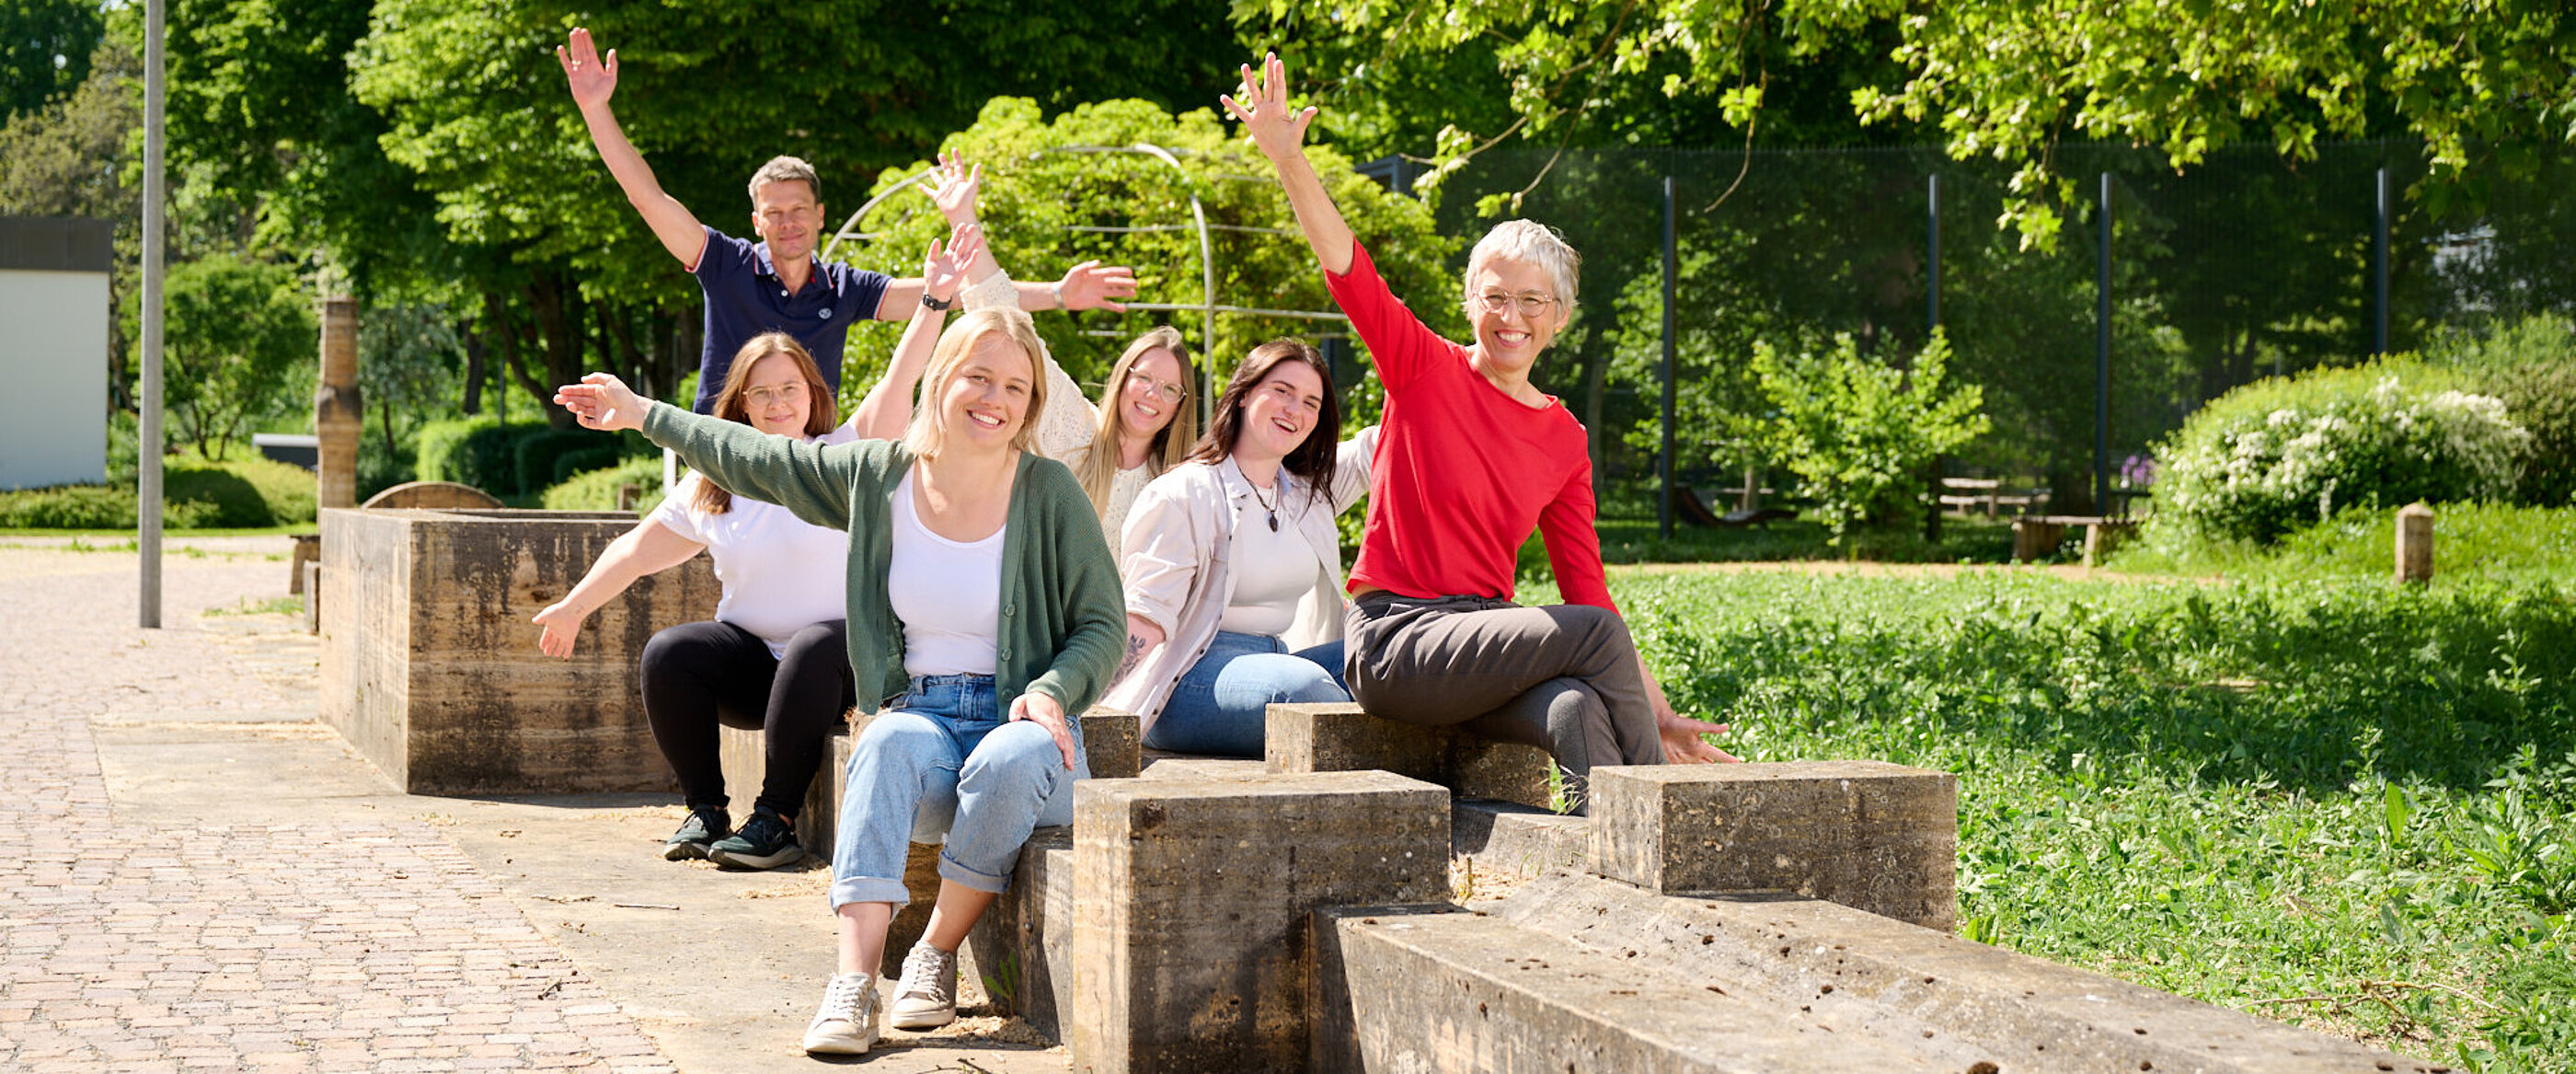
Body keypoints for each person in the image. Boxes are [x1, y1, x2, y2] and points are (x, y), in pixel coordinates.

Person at [553, 303, 1121, 1057]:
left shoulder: (1049, 491)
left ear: (1031, 404)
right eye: (980, 377)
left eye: (1016, 387)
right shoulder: (878, 476)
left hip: (1028, 734)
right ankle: (852, 985)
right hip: (927, 718)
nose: (996, 399)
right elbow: (757, 459)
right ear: (942, 378)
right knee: (882, 744)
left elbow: (1102, 623)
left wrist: (1052, 688)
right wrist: (643, 413)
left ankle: (934, 953)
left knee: (1007, 756)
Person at [1225, 52, 1738, 809]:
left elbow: (1587, 587)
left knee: (1574, 706)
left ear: (1560, 318)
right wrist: (1287, 159)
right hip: (1398, 641)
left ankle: (1613, 861)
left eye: (1533, 301)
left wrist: (1654, 709)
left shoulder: (1564, 439)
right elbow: (1348, 268)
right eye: (1495, 296)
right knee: (1593, 637)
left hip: (1484, 645)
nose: (1511, 316)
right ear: (1471, 303)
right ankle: (1672, 818)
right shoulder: (1422, 367)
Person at [530, 228, 988, 870]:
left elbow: (900, 377)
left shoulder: (844, 455)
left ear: (813, 395)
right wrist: (573, 608)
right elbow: (635, 551)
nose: (777, 403)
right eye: (762, 393)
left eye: (789, 389)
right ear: (741, 405)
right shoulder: (714, 483)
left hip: (841, 666)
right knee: (669, 653)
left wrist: (934, 301)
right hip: (757, 674)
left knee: (813, 644)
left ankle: (776, 819)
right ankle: (705, 811)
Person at [557, 29, 1137, 411]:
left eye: (799, 211)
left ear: (820, 216)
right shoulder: (725, 265)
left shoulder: (843, 288)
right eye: (775, 213)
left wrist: (1058, 294)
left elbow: (953, 294)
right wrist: (596, 110)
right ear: (756, 221)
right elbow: (648, 198)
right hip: (723, 455)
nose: (788, 223)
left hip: (807, 465)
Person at [1102, 341, 1375, 756]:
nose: (1294, 410)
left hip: (1279, 661)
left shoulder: (1306, 495)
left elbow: (1388, 439)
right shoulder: (1186, 492)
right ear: (1245, 392)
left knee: (1391, 658)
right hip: (1187, 678)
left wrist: (1480, 360)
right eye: (1281, 391)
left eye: (1310, 403)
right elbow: (1146, 616)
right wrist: (1083, 703)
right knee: (1302, 692)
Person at [912, 151, 1201, 544]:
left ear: (1181, 404)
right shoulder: (1077, 429)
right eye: (1145, 378)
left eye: (1169, 389)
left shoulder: (1183, 485)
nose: (1153, 394)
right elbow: (1005, 315)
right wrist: (963, 217)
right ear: (1122, 378)